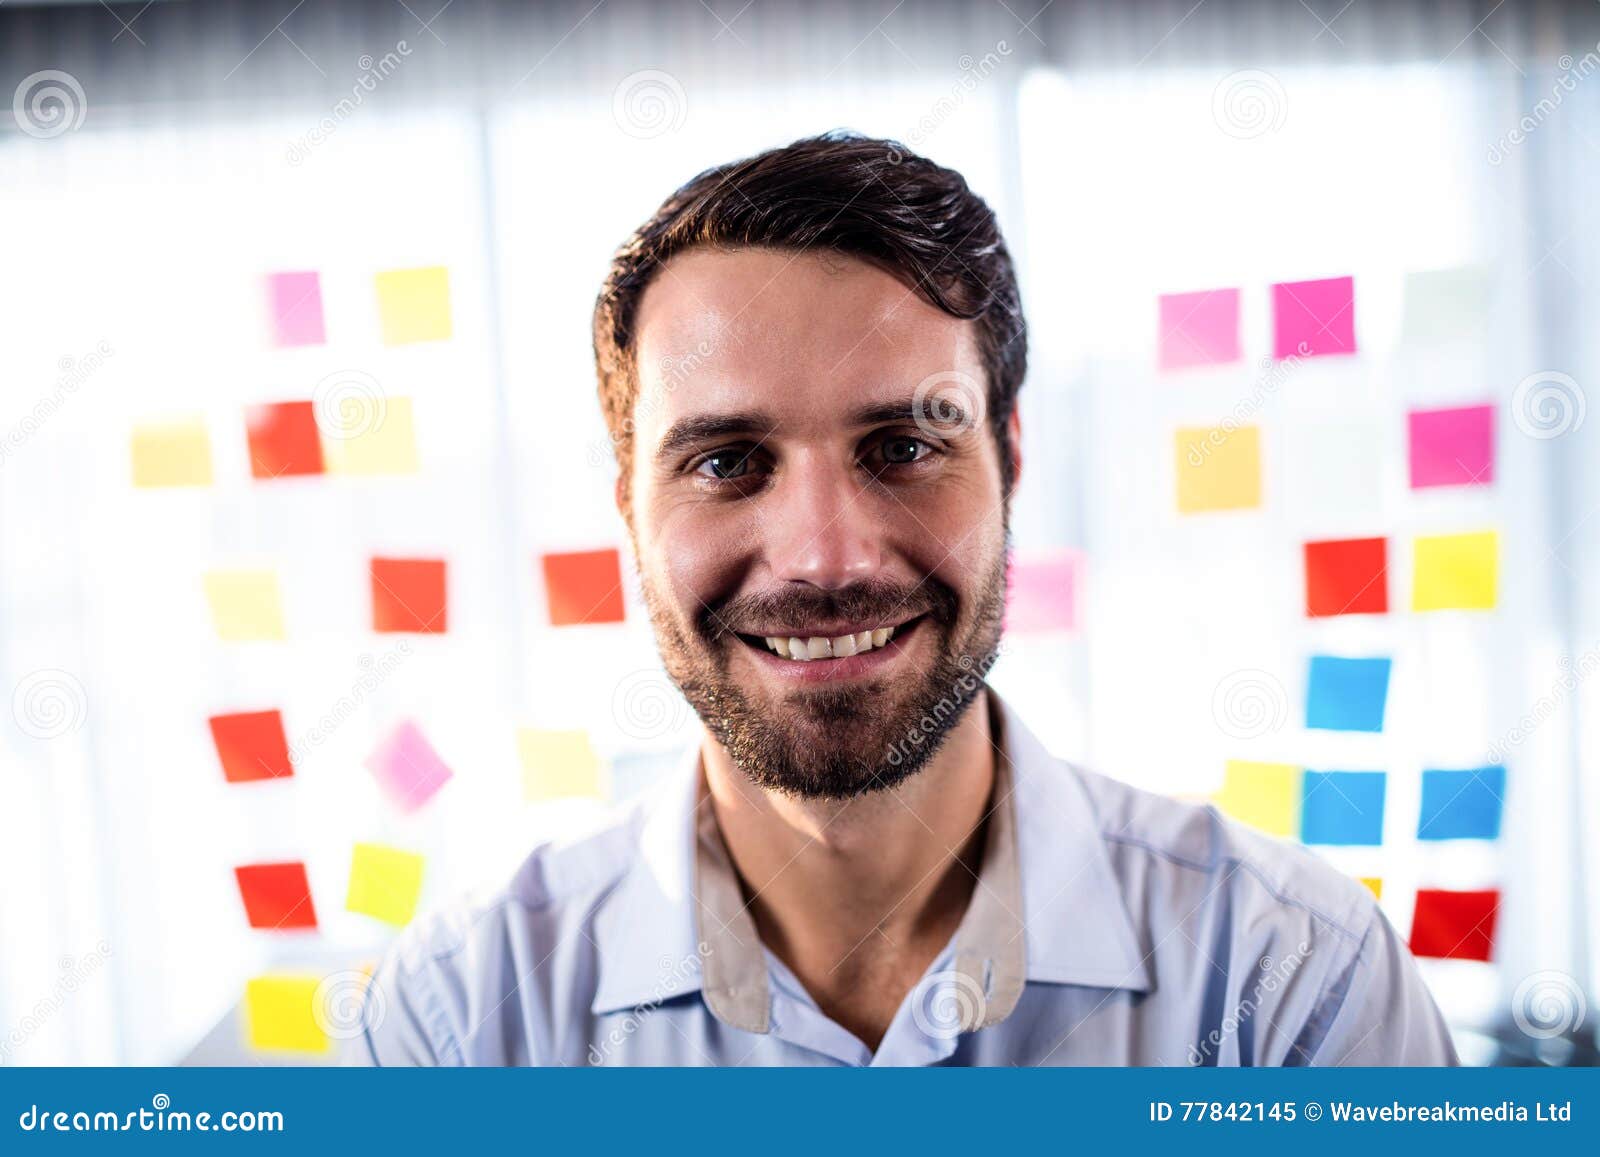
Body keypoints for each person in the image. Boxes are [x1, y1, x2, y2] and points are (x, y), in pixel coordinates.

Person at [355, 132, 1457, 1066]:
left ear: (1008, 459)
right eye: (727, 462)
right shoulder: (460, 1021)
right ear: (627, 506)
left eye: (902, 445)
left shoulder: (1292, 986)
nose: (824, 557)